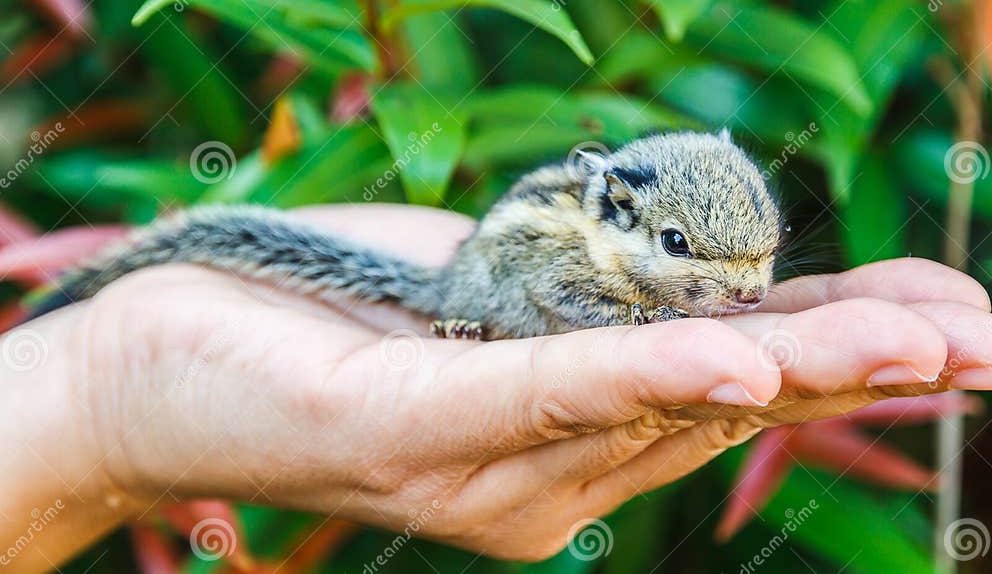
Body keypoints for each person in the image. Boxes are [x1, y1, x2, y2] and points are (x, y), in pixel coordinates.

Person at [3, 204, 991, 572]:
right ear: (621, 213)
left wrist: (99, 399)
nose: (733, 289)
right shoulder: (566, 248)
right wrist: (103, 393)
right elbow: (564, 294)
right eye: (689, 256)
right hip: (489, 292)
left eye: (754, 264)